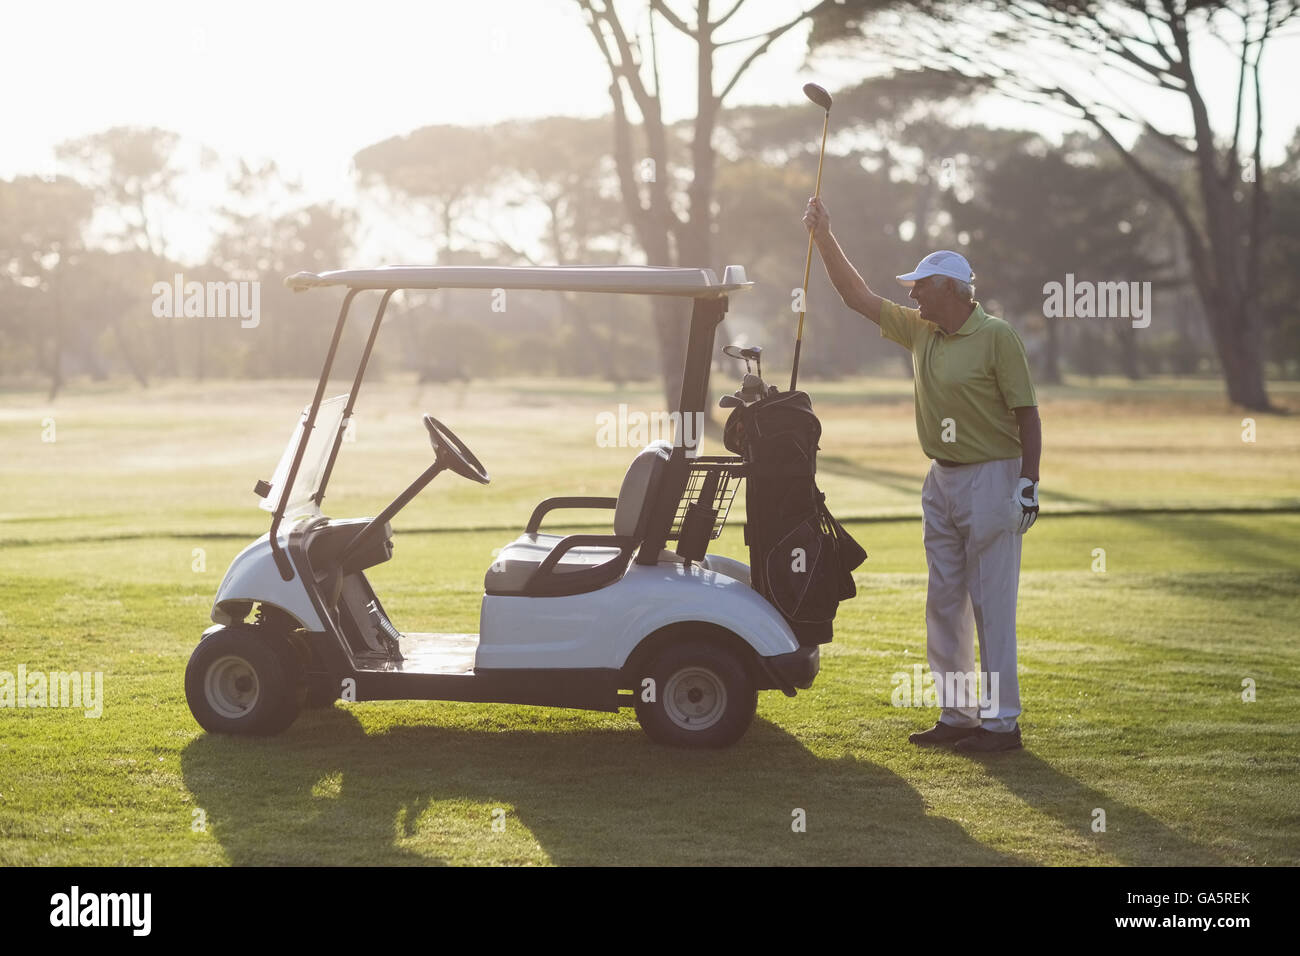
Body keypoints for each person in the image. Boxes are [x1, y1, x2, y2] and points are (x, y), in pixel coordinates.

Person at [803, 196, 1041, 753]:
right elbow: (856, 297)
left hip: (993, 475)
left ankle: (1001, 724)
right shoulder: (921, 331)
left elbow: (1027, 414)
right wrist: (824, 237)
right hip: (942, 479)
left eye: (921, 285)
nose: (911, 293)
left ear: (952, 291)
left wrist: (1028, 484)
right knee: (945, 600)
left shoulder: (997, 336)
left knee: (991, 603)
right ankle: (957, 715)